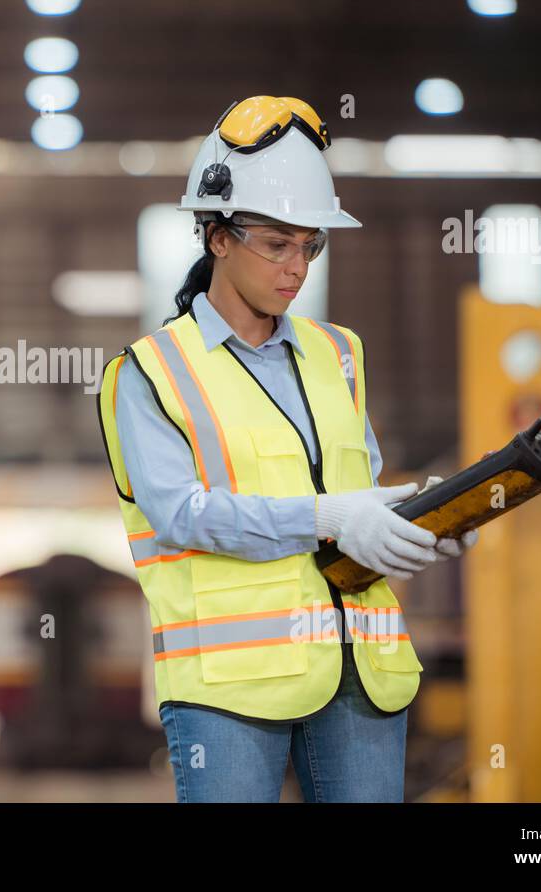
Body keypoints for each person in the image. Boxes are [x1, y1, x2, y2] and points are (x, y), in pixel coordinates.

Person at [96, 96, 478, 802]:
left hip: (362, 672)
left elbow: (355, 495)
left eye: (310, 244)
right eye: (276, 243)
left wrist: (420, 525)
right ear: (216, 236)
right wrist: (330, 518)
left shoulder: (340, 353)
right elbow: (183, 514)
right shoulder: (150, 372)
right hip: (230, 687)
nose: (296, 266)